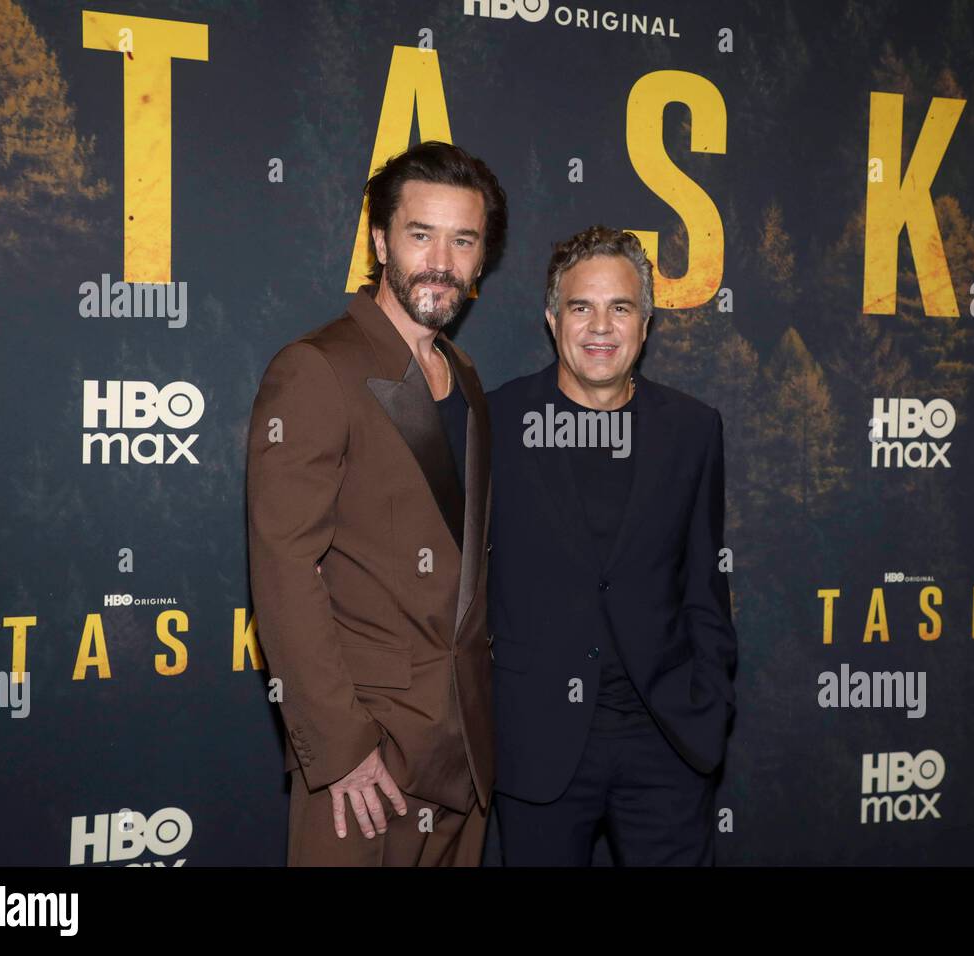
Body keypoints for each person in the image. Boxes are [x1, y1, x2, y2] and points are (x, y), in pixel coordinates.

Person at [246, 141, 507, 866]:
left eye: (464, 240)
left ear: (482, 258)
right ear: (379, 240)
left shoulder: (466, 375)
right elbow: (284, 567)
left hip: (466, 749)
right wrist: (339, 749)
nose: (441, 261)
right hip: (369, 760)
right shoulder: (318, 368)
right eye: (421, 234)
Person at [487, 225, 737, 865]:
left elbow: (704, 585)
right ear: (552, 319)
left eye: (620, 307)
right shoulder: (495, 425)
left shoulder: (692, 430)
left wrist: (708, 702)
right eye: (581, 307)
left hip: (666, 742)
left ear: (646, 323)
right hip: (538, 744)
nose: (601, 326)